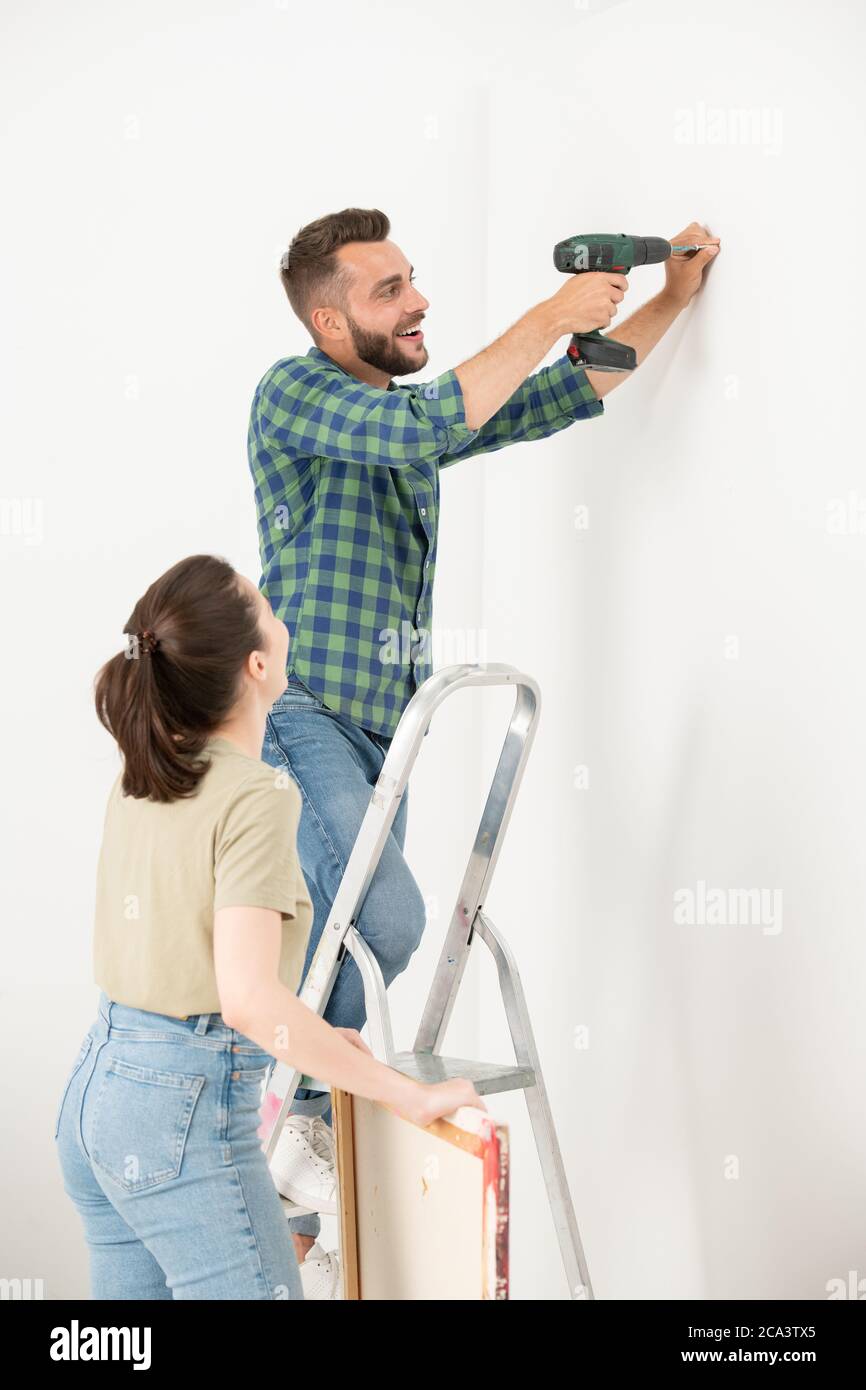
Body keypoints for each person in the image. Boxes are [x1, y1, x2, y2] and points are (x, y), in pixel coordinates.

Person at [248, 207, 720, 1262]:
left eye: (411, 277)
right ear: (328, 323)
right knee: (382, 920)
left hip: (388, 736)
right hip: (301, 712)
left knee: (346, 939)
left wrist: (665, 299)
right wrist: (550, 311)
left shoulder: (408, 413)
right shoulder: (294, 394)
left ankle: (291, 1189)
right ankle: (290, 1118)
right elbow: (419, 428)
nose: (418, 300)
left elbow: (558, 396)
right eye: (388, 291)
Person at [53, 553, 484, 1300]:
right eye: (269, 610)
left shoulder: (143, 773)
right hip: (180, 1114)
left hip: (98, 1095)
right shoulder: (257, 795)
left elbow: (195, 960)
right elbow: (247, 1001)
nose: (283, 620)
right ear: (258, 664)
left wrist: (321, 1039)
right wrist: (403, 1094)